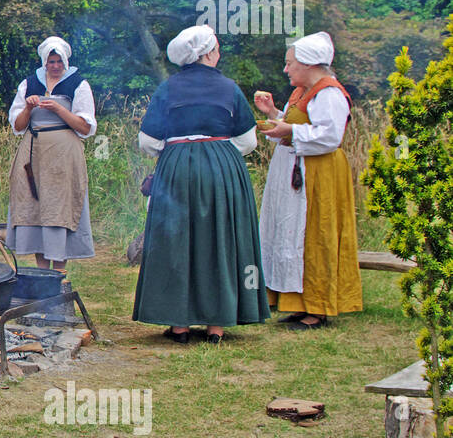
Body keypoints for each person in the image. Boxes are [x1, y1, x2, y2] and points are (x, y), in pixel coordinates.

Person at [133, 24, 269, 343]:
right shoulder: (229, 88)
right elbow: (248, 141)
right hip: (222, 167)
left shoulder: (167, 88)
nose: (218, 53)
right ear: (207, 53)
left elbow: (147, 141)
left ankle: (179, 326)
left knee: (176, 239)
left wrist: (179, 149)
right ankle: (216, 326)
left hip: (177, 167)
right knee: (220, 239)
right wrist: (216, 150)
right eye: (217, 48)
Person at [256, 31, 362, 329]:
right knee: (291, 233)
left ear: (309, 65)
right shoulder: (301, 91)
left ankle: (317, 306)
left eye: (290, 64)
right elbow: (301, 124)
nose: (286, 69)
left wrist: (287, 131)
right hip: (296, 170)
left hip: (318, 174)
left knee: (315, 234)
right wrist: (274, 114)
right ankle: (298, 302)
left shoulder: (328, 93)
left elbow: (329, 136)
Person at [5, 36, 97, 272]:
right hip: (33, 152)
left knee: (59, 206)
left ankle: (60, 271)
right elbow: (17, 126)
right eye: (51, 61)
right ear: (44, 62)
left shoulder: (78, 84)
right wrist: (28, 107)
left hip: (64, 153)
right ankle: (42, 272)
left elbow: (85, 127)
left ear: (66, 61)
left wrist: (58, 108)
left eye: (58, 61)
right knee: (35, 206)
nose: (55, 66)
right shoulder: (29, 83)